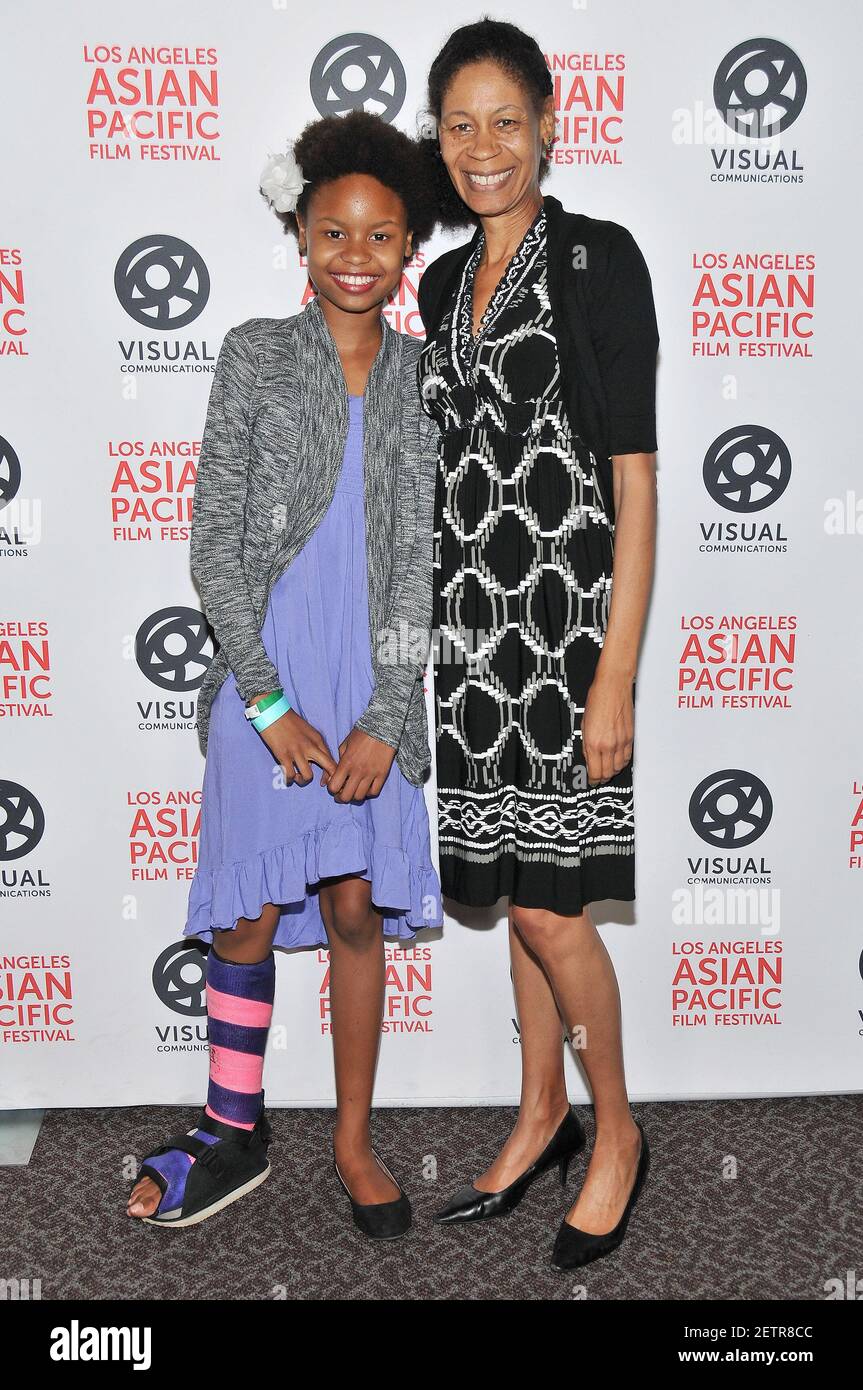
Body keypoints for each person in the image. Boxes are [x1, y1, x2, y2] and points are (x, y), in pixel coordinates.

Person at [127, 110, 442, 1238]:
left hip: (372, 691)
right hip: (268, 684)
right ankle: (232, 1124)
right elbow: (213, 543)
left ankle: (354, 1139)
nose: (355, 256)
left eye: (379, 236)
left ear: (409, 247)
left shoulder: (421, 377)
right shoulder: (254, 354)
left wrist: (385, 720)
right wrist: (264, 702)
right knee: (250, 913)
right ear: (300, 239)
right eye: (332, 234)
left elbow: (420, 562)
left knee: (356, 911)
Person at [416, 19, 659, 1268]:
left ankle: (615, 1132)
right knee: (514, 901)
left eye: (504, 119)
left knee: (558, 914)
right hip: (471, 655)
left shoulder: (598, 259)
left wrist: (615, 669)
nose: (482, 147)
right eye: (458, 125)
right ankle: (539, 1111)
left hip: (565, 645)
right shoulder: (443, 283)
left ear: (551, 119)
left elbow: (633, 476)